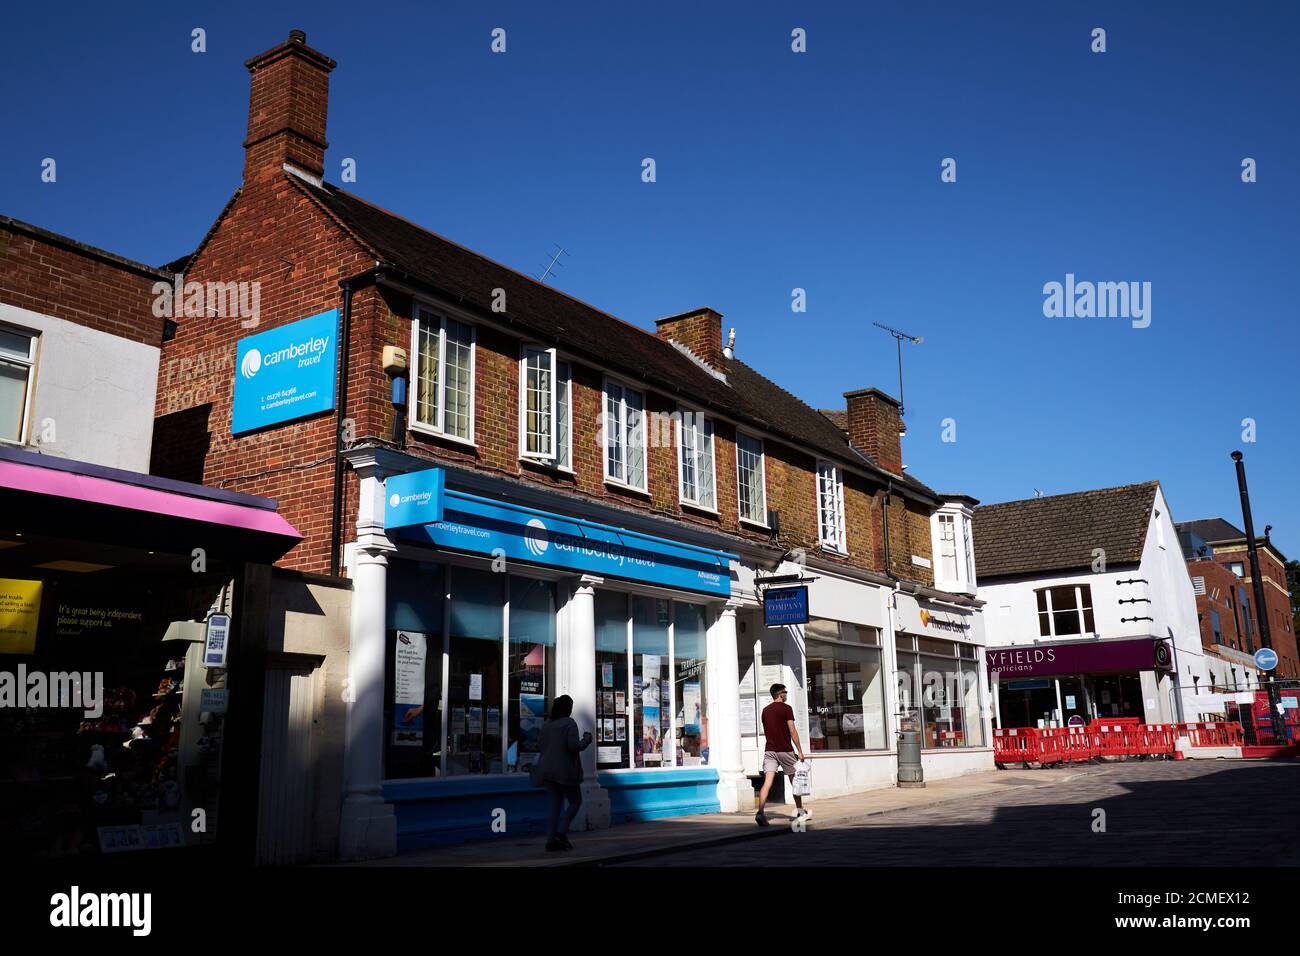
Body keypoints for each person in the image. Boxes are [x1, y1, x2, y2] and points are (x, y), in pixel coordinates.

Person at [536, 695, 592, 851]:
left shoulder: (547, 724)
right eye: (571, 706)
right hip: (564, 770)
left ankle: (550, 840)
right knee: (575, 801)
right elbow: (574, 746)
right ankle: (561, 833)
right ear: (567, 708)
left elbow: (539, 744)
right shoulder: (569, 723)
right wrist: (587, 739)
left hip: (547, 770)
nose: (572, 709)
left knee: (554, 806)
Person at [755, 683, 808, 826]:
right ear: (780, 694)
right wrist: (800, 751)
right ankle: (800, 811)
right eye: (785, 692)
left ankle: (760, 812)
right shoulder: (787, 709)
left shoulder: (765, 711)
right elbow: (792, 731)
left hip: (770, 751)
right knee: (794, 782)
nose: (786, 694)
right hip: (785, 749)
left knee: (767, 782)